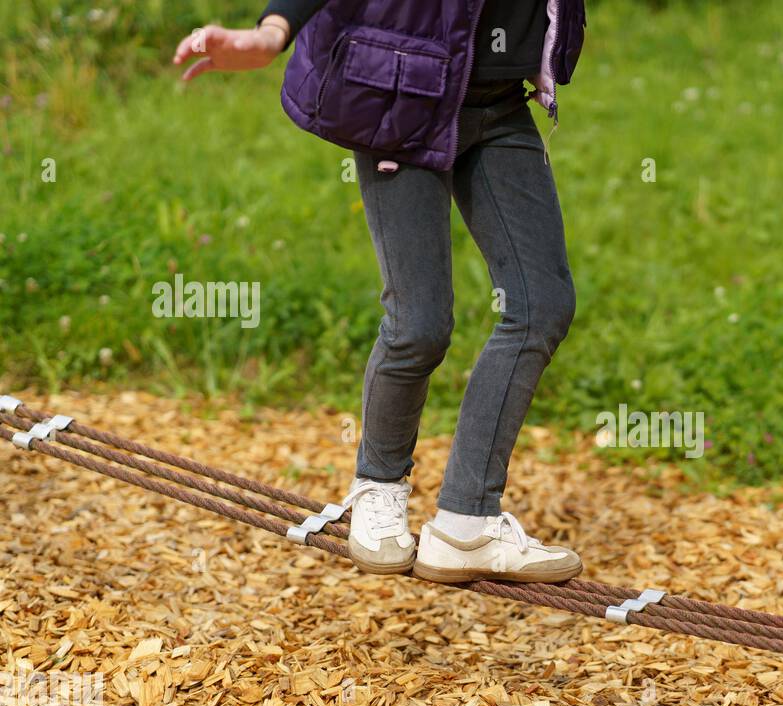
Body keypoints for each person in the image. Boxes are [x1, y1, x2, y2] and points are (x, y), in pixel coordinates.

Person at [173, 0, 587, 583]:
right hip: (405, 102)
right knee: (420, 325)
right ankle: (378, 484)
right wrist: (273, 32)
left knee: (541, 305)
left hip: (501, 105)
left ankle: (466, 523)